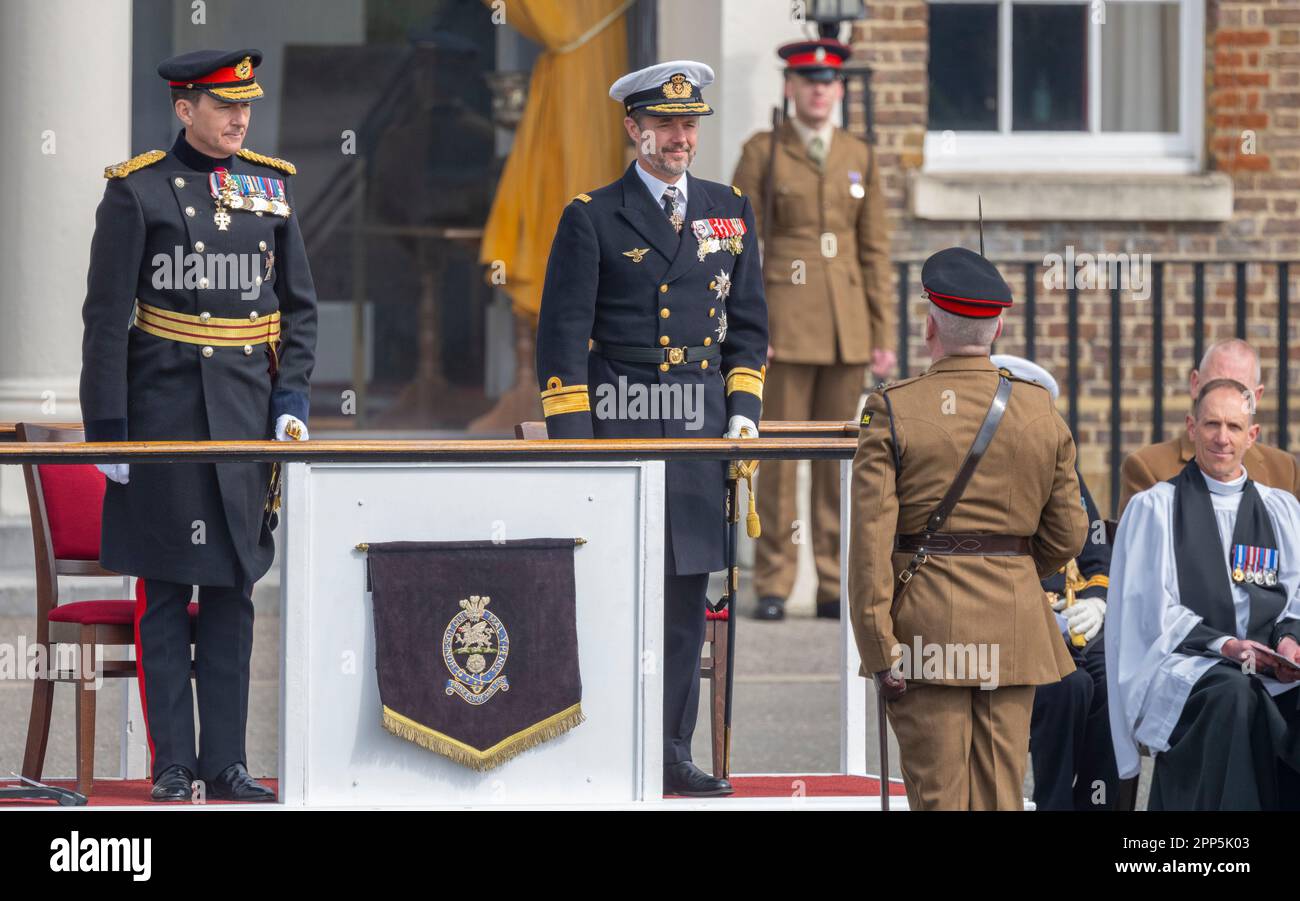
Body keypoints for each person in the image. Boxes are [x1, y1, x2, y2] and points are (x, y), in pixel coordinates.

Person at [79, 49, 317, 801]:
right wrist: (108, 430)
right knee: (163, 591)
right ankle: (172, 765)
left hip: (244, 421)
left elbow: (299, 311)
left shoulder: (270, 188)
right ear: (185, 109)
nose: (240, 118)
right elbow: (104, 319)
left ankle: (228, 762)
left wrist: (290, 407)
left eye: (246, 105)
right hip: (164, 420)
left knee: (233, 592)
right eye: (224, 106)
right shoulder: (137, 191)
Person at [534, 61, 768, 796]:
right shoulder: (591, 215)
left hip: (698, 432)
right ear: (634, 130)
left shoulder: (728, 210)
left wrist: (743, 415)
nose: (679, 138)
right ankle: (601, 743)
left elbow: (749, 328)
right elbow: (563, 339)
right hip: (621, 423)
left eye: (688, 124)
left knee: (682, 606)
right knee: (609, 598)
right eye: (664, 124)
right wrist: (577, 452)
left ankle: (672, 751)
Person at [848, 247, 1087, 810]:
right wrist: (1010, 571)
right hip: (1013, 624)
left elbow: (868, 549)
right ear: (998, 326)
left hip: (926, 627)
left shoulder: (890, 408)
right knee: (1002, 796)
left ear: (930, 326)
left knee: (940, 796)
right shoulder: (1039, 410)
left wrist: (880, 648)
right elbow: (1069, 533)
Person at [732, 39, 894, 621]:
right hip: (784, 320)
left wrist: (882, 331)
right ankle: (774, 582)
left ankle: (832, 584)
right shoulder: (763, 152)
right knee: (776, 457)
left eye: (828, 82)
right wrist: (751, 323)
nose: (819, 90)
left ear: (840, 90)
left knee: (839, 460)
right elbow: (739, 245)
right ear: (790, 88)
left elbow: (874, 248)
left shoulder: (860, 154)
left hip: (846, 324)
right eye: (807, 81)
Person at [1107, 378, 1300, 810]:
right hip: (1187, 662)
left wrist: (1289, 640)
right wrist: (1226, 645)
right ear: (1191, 427)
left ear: (1252, 435)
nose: (1221, 437)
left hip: (1267, 664)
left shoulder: (1280, 510)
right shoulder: (1156, 509)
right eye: (1211, 424)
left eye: (1234, 426)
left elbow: (1295, 594)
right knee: (1232, 692)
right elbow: (1146, 613)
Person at [991, 355, 1119, 811]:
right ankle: (1054, 803)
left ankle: (1098, 805)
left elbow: (1095, 547)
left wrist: (1098, 600)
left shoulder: (1059, 462)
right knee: (1070, 689)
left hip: (1070, 619)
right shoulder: (983, 468)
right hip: (1006, 620)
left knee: (1112, 685)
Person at [1119, 338, 1300, 515]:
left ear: (1256, 397)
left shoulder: (1285, 470)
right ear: (1195, 384)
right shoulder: (1148, 467)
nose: (1226, 397)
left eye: (1240, 389)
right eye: (1215, 385)